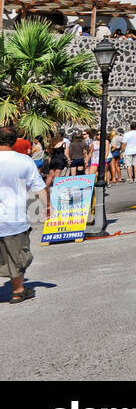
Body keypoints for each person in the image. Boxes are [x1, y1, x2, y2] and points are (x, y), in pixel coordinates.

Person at [0, 126, 48, 304]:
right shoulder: (23, 161)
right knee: (18, 255)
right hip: (14, 218)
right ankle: (18, 291)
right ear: (14, 141)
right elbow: (38, 189)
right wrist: (44, 208)